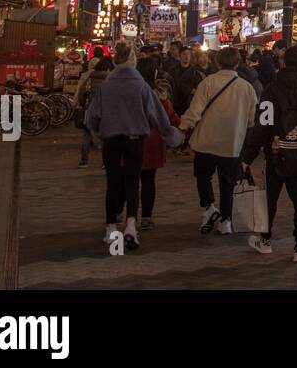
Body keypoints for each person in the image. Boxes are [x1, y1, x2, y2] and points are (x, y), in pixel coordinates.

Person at [84, 43, 183, 250]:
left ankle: (111, 228)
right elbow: (157, 116)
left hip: (111, 141)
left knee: (113, 184)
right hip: (135, 140)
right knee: (132, 184)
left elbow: (91, 116)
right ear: (132, 61)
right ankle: (131, 225)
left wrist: (97, 136)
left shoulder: (107, 86)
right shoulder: (142, 87)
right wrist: (171, 135)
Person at [242, 46, 297, 261]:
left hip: (276, 154)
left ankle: (266, 240)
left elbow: (262, 125)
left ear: (283, 62)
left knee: (270, 200)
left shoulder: (271, 90)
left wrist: (247, 158)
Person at [178, 45, 258, 235]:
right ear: (237, 63)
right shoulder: (247, 88)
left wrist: (182, 129)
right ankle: (226, 221)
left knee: (203, 177)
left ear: (217, 62)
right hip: (232, 144)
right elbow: (251, 120)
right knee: (227, 183)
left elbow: (194, 111)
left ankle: (208, 208)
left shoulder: (208, 82)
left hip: (205, 140)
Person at [136, 55, 180, 230]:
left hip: (131, 139)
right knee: (148, 180)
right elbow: (168, 116)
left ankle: (122, 215)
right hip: (152, 140)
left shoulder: (133, 90)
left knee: (128, 179)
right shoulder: (158, 93)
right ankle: (146, 217)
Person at [75, 47, 113, 166]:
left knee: (86, 135)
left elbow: (81, 94)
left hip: (89, 108)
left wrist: (81, 104)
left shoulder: (89, 77)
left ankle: (84, 161)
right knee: (105, 136)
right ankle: (105, 162)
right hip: (105, 109)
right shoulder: (110, 78)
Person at [169, 48, 205, 116]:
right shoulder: (172, 71)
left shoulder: (196, 71)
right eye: (184, 54)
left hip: (190, 102)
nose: (187, 56)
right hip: (177, 101)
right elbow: (173, 85)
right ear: (180, 56)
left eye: (188, 54)